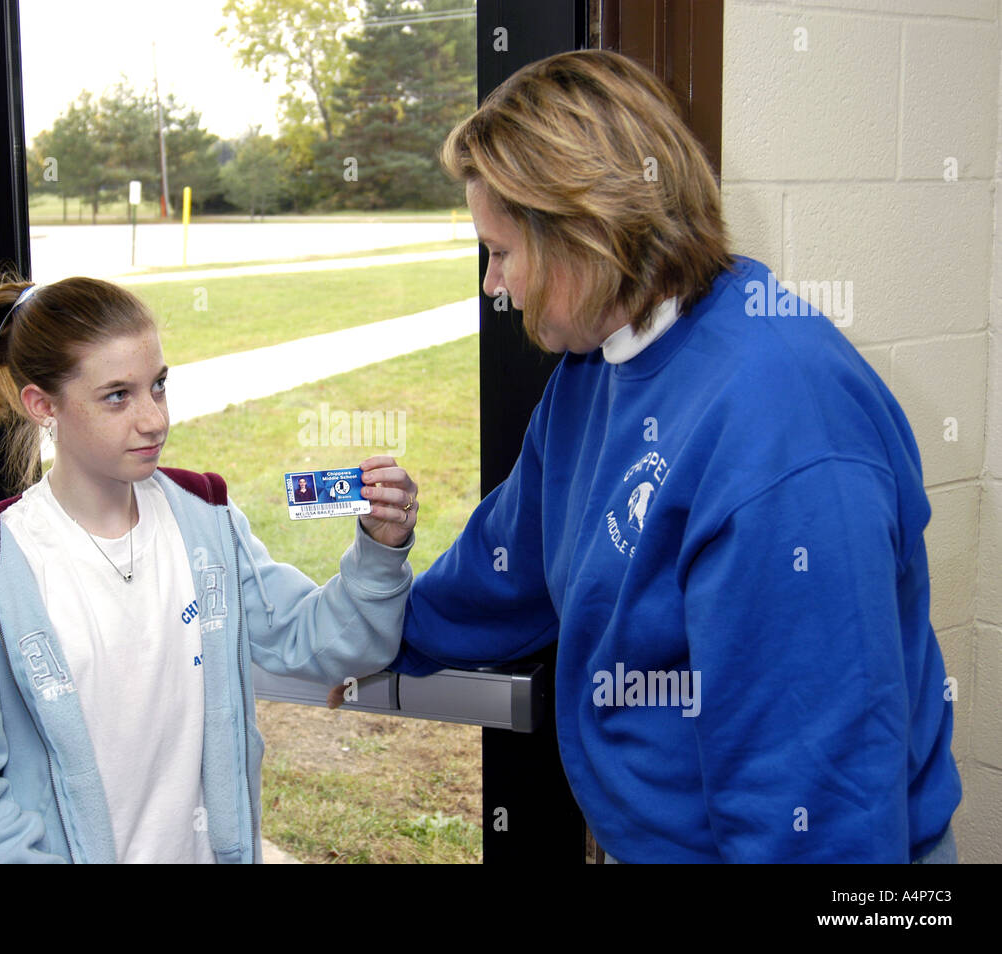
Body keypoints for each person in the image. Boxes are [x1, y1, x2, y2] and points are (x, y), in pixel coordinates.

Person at [352, 49, 962, 863]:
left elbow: (818, 804)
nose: (494, 285)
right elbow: (502, 576)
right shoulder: (595, 370)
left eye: (500, 252)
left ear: (584, 232)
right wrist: (351, 631)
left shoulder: (783, 428)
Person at [0, 270, 419, 863]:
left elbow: (323, 643)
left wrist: (380, 550)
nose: (154, 420)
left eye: (159, 386)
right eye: (117, 395)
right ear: (42, 405)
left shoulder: (206, 522)